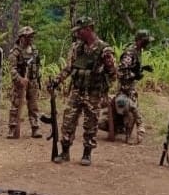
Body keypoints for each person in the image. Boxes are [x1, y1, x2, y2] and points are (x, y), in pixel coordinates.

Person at [46, 16, 117, 166]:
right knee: (68, 120)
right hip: (77, 90)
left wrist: (105, 88)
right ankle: (65, 152)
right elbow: (69, 68)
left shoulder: (104, 49)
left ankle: (87, 153)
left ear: (88, 29)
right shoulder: (77, 48)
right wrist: (57, 81)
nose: (77, 34)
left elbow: (113, 74)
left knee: (91, 123)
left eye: (80, 31)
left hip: (93, 93)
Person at [112, 28, 154, 144]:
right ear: (139, 40)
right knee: (131, 110)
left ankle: (125, 132)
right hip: (125, 88)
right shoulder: (130, 53)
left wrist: (143, 68)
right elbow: (121, 71)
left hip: (130, 86)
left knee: (131, 110)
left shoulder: (138, 51)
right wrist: (135, 75)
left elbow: (133, 67)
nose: (148, 43)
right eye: (146, 41)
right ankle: (129, 133)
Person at [7, 25, 43, 139]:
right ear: (21, 37)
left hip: (32, 82)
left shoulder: (34, 51)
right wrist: (19, 79)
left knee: (33, 106)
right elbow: (12, 69)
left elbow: (37, 66)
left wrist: (37, 79)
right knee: (15, 106)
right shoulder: (15, 52)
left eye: (31, 36)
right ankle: (13, 129)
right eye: (28, 36)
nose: (30, 39)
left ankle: (35, 128)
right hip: (20, 83)